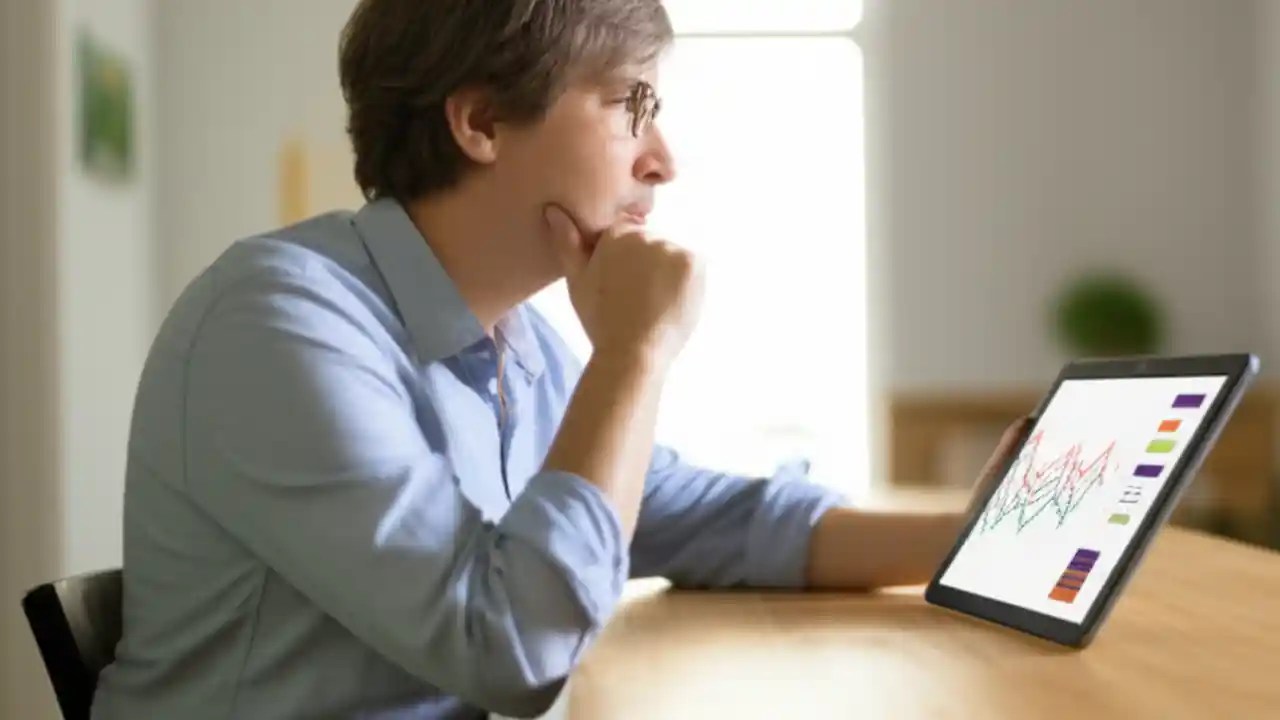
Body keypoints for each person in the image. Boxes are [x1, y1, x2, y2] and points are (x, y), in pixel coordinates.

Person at [92, 1, 1026, 718]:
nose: (662, 158)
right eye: (632, 105)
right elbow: (510, 648)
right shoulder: (279, 321)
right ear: (483, 123)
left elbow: (705, 519)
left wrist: (974, 538)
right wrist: (637, 349)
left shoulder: (514, 343)